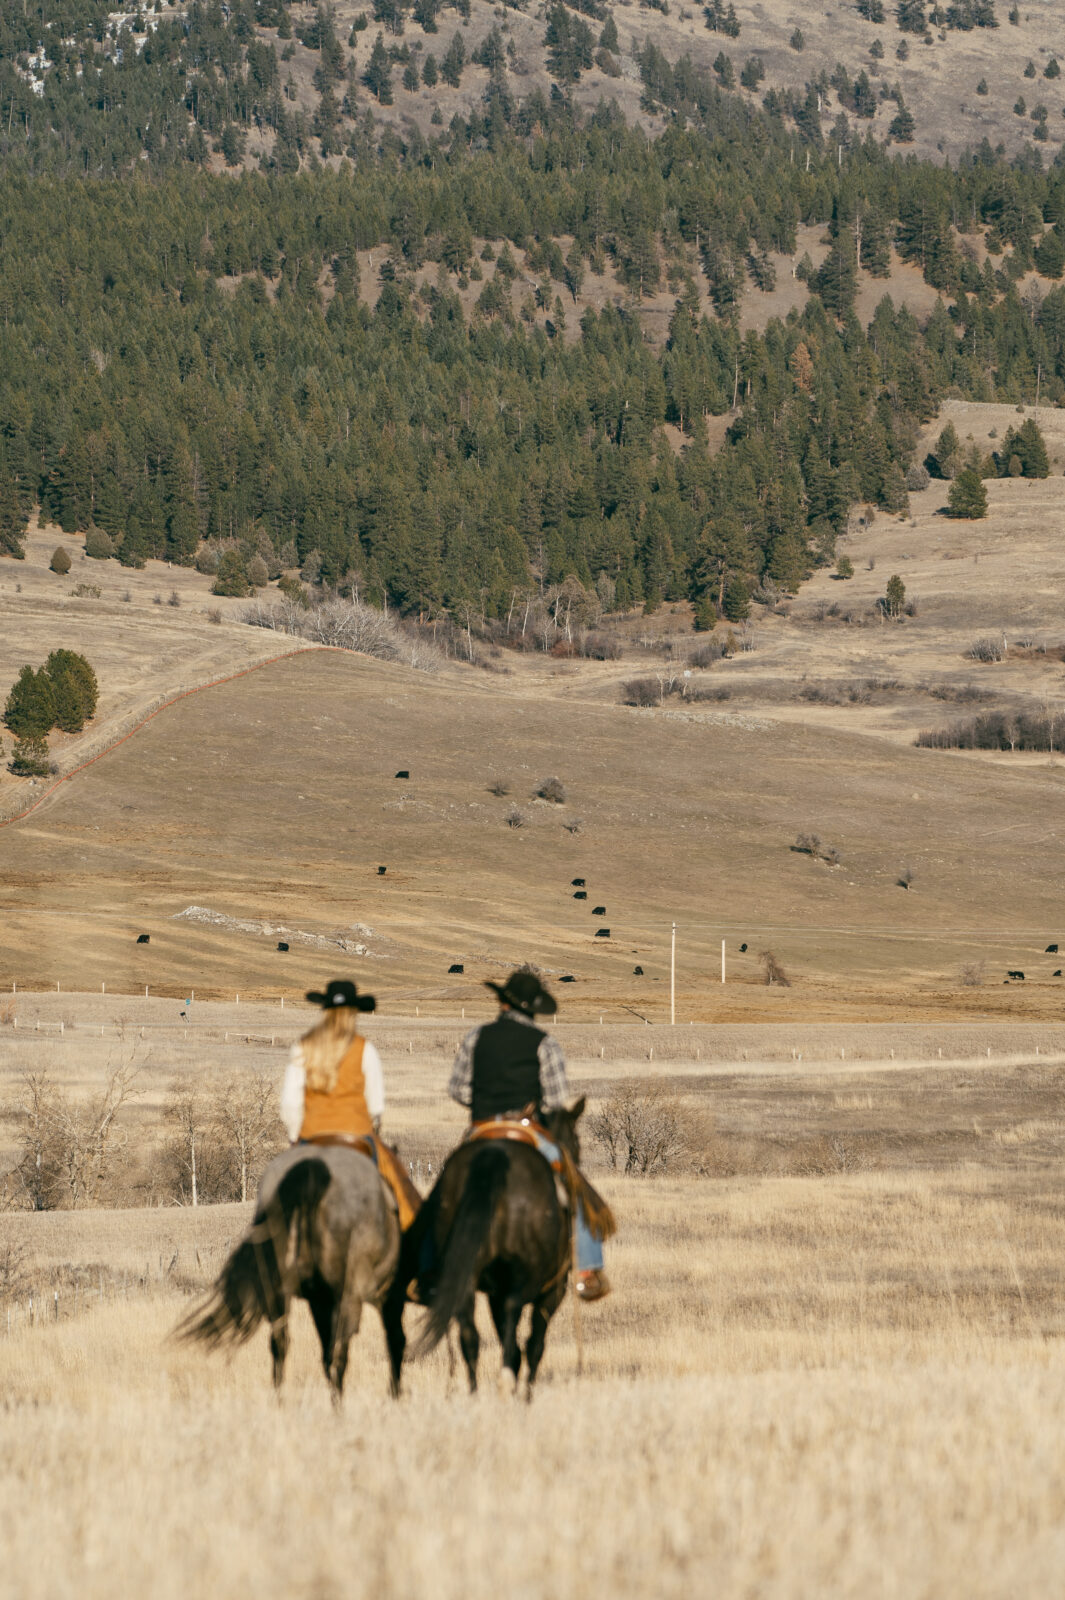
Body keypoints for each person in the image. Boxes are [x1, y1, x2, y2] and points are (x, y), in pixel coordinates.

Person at [448, 970, 611, 1301]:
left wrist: (483, 1105)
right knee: (573, 1184)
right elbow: (555, 1101)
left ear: (503, 1003)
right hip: (527, 1130)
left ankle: (432, 1265)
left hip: (481, 1129)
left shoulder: (476, 1036)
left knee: (447, 1187)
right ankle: (587, 1270)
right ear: (533, 1009)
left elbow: (458, 1089)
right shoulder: (544, 1044)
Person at [281, 978, 420, 1231]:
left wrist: (294, 1137)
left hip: (311, 1134)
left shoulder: (303, 1047)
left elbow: (290, 1105)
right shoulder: (365, 1050)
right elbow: (375, 1106)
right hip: (357, 1134)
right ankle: (411, 1236)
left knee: (273, 1200)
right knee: (398, 1188)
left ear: (324, 1010)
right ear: (354, 1013)